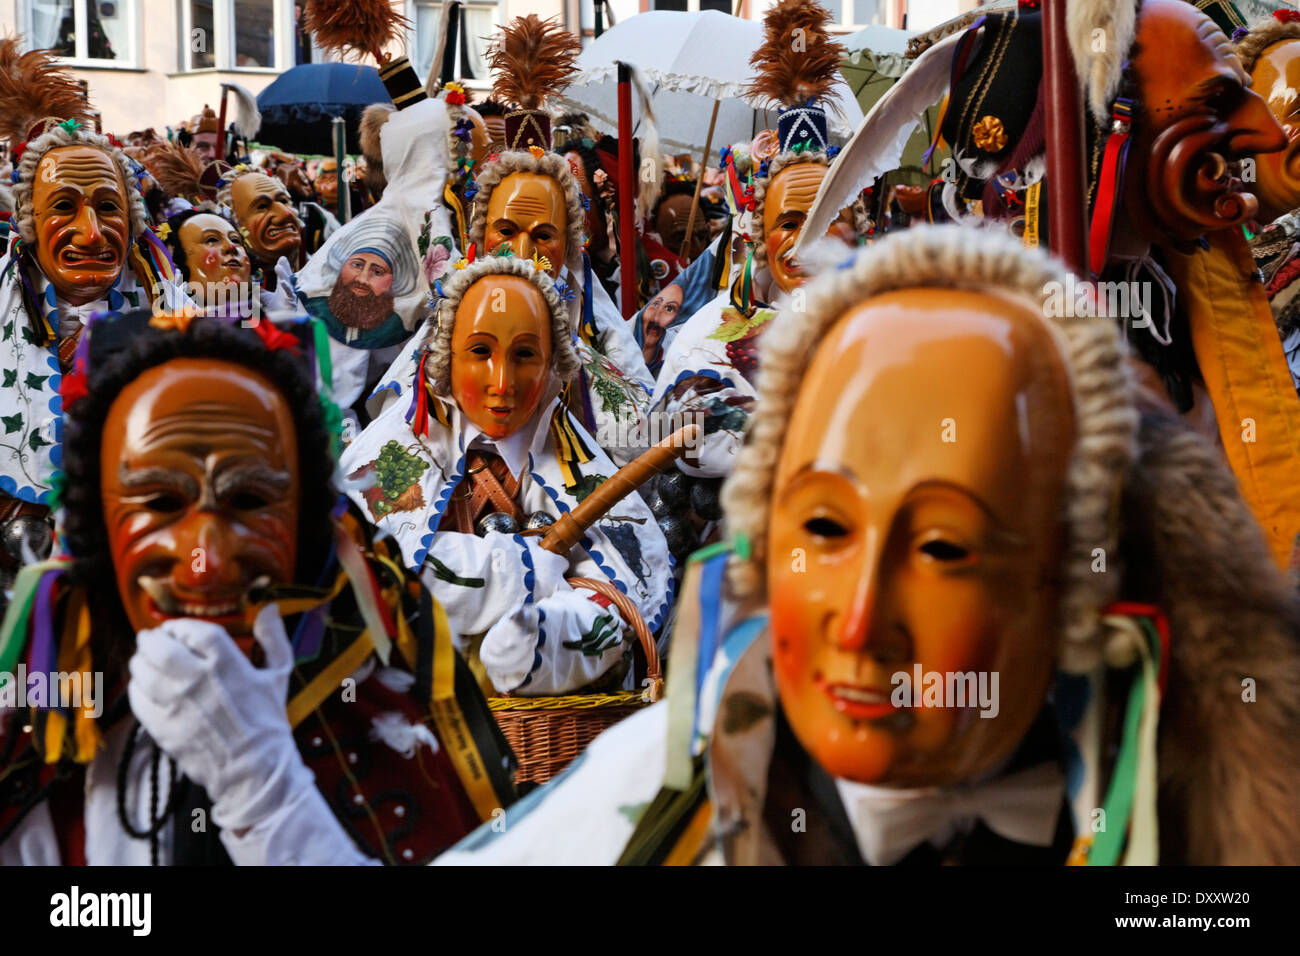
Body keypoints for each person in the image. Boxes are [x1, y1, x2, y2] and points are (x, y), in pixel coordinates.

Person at [434, 225, 1300, 866]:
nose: (856, 623)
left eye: (944, 548)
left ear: (1071, 584)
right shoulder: (636, 809)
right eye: (824, 528)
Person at [0, 311, 516, 864]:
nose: (207, 562)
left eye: (248, 501)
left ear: (307, 525)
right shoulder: (45, 740)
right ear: (96, 526)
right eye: (161, 503)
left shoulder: (391, 728)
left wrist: (261, 783)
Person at [339, 253, 672, 698]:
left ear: (553, 364)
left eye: (525, 355)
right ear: (447, 355)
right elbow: (382, 566)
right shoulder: (395, 449)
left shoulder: (568, 452)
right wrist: (527, 567)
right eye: (480, 352)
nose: (503, 383)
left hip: (550, 731)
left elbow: (626, 586)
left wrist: (550, 638)